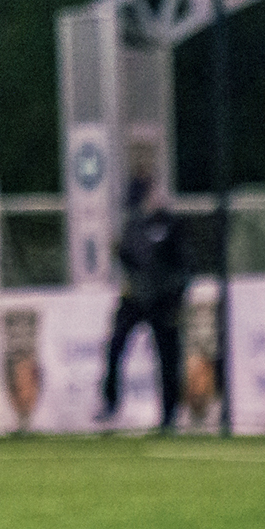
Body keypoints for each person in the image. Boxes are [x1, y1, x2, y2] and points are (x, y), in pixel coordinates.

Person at [98, 175, 190, 432]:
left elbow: (183, 263)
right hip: (137, 296)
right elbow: (131, 260)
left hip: (163, 299)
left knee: (168, 356)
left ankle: (169, 415)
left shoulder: (170, 224)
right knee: (115, 344)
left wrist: (178, 297)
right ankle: (110, 401)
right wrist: (118, 252)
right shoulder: (133, 224)